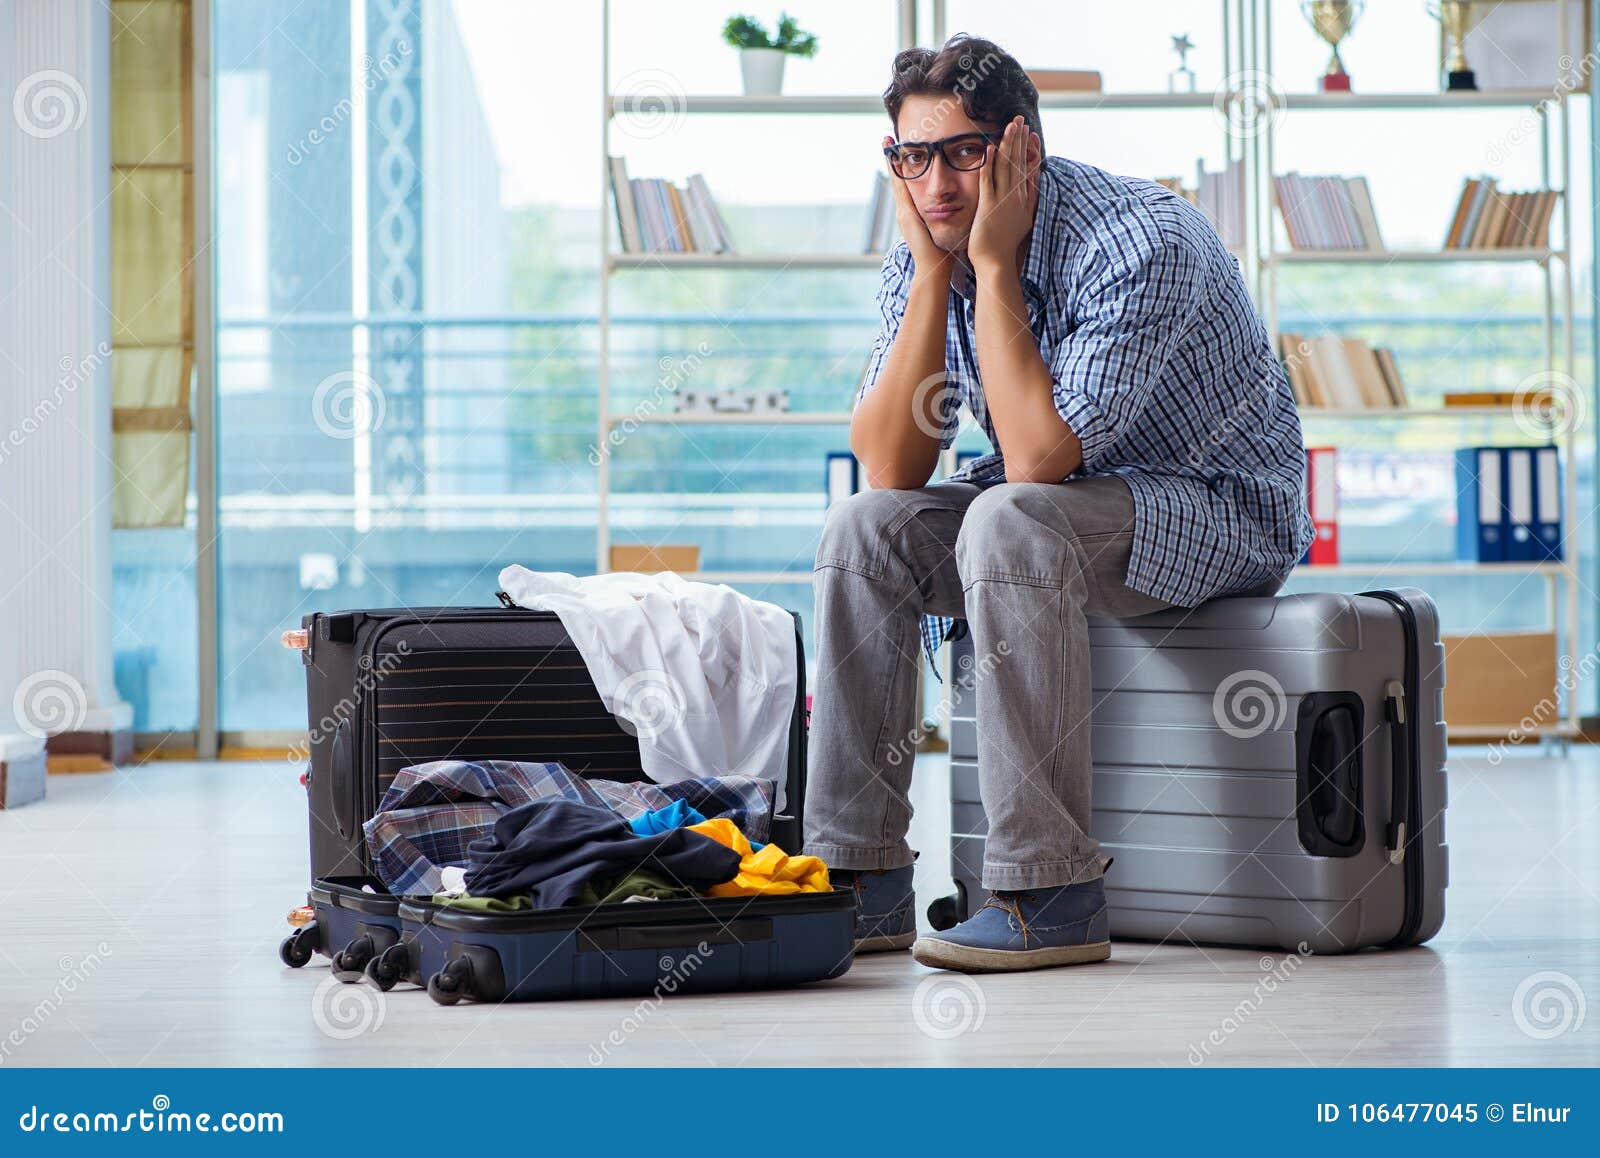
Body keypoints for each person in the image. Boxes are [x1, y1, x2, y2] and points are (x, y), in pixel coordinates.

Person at [802, 34, 1313, 973]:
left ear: (1022, 147)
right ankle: (859, 880)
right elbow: (888, 467)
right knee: (861, 532)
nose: (938, 184)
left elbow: (1035, 459)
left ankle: (1052, 893)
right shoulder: (930, 239)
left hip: (1218, 506)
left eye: (964, 151)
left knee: (1009, 515)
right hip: (1061, 510)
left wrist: (992, 272)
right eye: (912, 158)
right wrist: (930, 279)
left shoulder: (1145, 241)